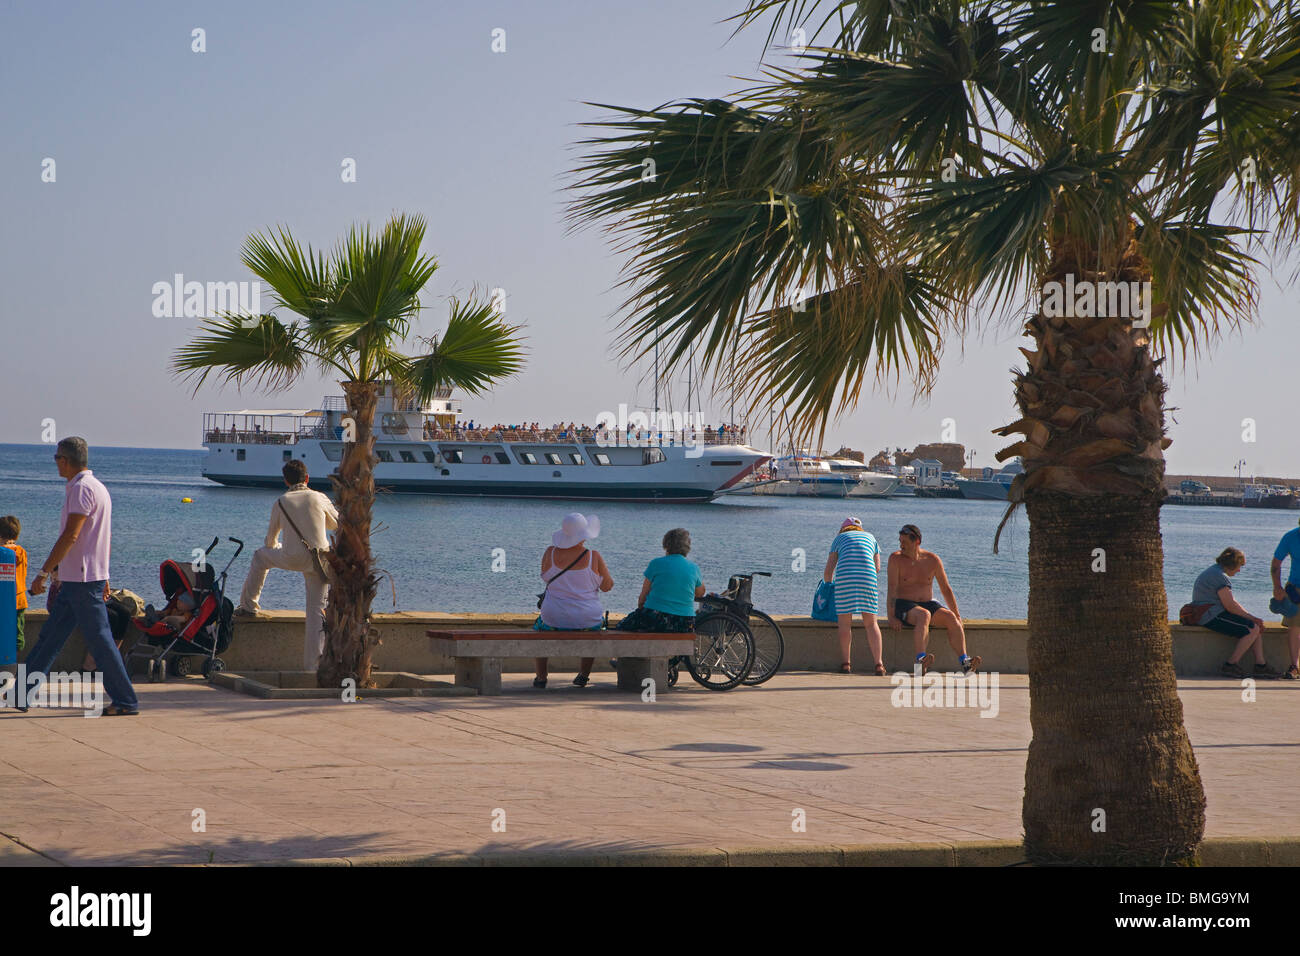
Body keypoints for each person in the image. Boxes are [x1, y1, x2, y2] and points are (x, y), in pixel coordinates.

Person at [22, 437, 139, 715]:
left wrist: (43, 572)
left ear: (65, 460)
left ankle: (126, 700)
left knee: (100, 640)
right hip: (81, 578)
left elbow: (71, 535)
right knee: (50, 637)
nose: (56, 464)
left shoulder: (81, 489)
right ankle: (20, 694)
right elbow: (100, 538)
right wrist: (104, 574)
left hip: (82, 581)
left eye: (56, 459)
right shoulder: (96, 487)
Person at [235, 460, 338, 671]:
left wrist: (278, 547)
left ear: (286, 481)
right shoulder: (319, 497)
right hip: (319, 560)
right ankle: (313, 667)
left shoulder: (281, 502)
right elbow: (336, 524)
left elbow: (270, 540)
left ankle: (248, 606)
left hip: (291, 557)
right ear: (307, 478)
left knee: (259, 557)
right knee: (317, 612)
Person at [887, 524, 980, 675]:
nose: (901, 545)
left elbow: (946, 589)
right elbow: (891, 589)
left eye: (905, 542)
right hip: (904, 605)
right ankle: (920, 663)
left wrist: (957, 614)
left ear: (917, 541)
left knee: (951, 618)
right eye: (900, 541)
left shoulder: (932, 560)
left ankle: (965, 662)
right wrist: (891, 617)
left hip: (927, 603)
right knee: (924, 615)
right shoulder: (895, 559)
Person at [534, 513, 613, 688]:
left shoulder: (550, 553)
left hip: (553, 618)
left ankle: (541, 677)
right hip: (587, 619)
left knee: (540, 628)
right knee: (594, 629)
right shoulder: (594, 556)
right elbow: (607, 586)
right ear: (584, 535)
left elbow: (546, 578)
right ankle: (584, 676)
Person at [1197, 548, 1279, 678]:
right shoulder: (1219, 577)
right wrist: (1252, 618)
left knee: (1254, 625)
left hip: (1212, 612)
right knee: (1251, 629)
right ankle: (1230, 665)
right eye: (1239, 566)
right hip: (1210, 615)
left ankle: (1260, 665)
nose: (1239, 570)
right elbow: (1230, 606)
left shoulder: (1215, 571)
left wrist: (1253, 618)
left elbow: (1232, 602)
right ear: (1232, 564)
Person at [823, 516, 885, 675]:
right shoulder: (871, 538)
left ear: (843, 528)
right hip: (867, 579)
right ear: (860, 529)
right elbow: (877, 567)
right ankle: (879, 664)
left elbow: (829, 571)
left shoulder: (840, 538)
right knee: (871, 624)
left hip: (845, 579)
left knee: (844, 624)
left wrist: (828, 586)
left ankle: (846, 664)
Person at [618, 528, 705, 633]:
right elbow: (700, 593)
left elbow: (642, 598)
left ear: (666, 545)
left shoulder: (656, 564)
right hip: (684, 622)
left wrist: (642, 611)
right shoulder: (694, 568)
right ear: (687, 547)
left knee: (621, 625)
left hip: (655, 618)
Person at [1270, 519, 1300, 680]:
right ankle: (1294, 666)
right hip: (1295, 589)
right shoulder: (1291, 537)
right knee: (1294, 627)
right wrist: (1277, 587)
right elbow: (1276, 563)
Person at [0, 515, 28, 652]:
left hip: (4, 600)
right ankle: (14, 661)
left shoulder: (2, 553)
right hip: (19, 600)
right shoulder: (22, 552)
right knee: (17, 633)